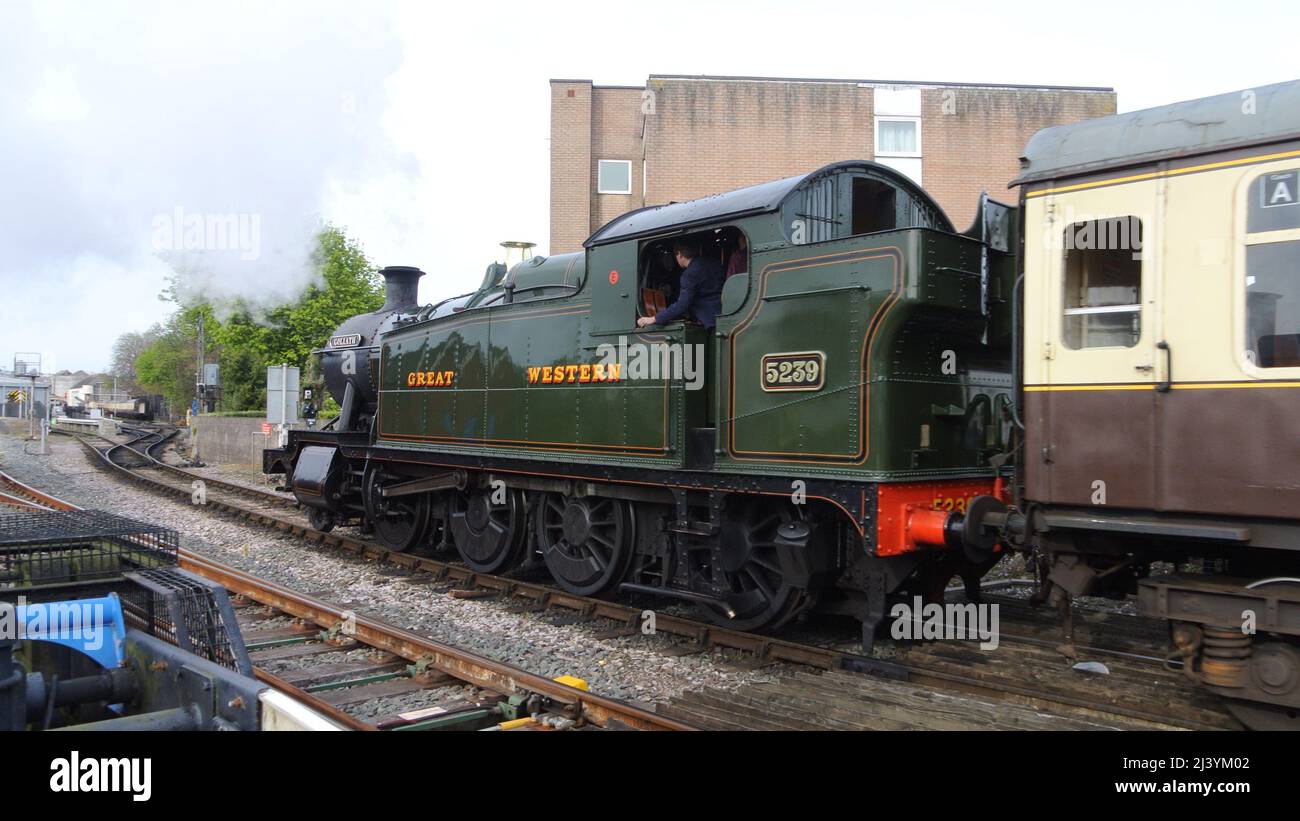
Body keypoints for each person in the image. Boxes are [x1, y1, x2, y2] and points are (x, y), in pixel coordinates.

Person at [636, 240, 724, 330]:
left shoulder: (689, 274)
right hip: (724, 316)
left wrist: (654, 318)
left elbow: (682, 305)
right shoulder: (714, 263)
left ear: (680, 254)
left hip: (710, 322)